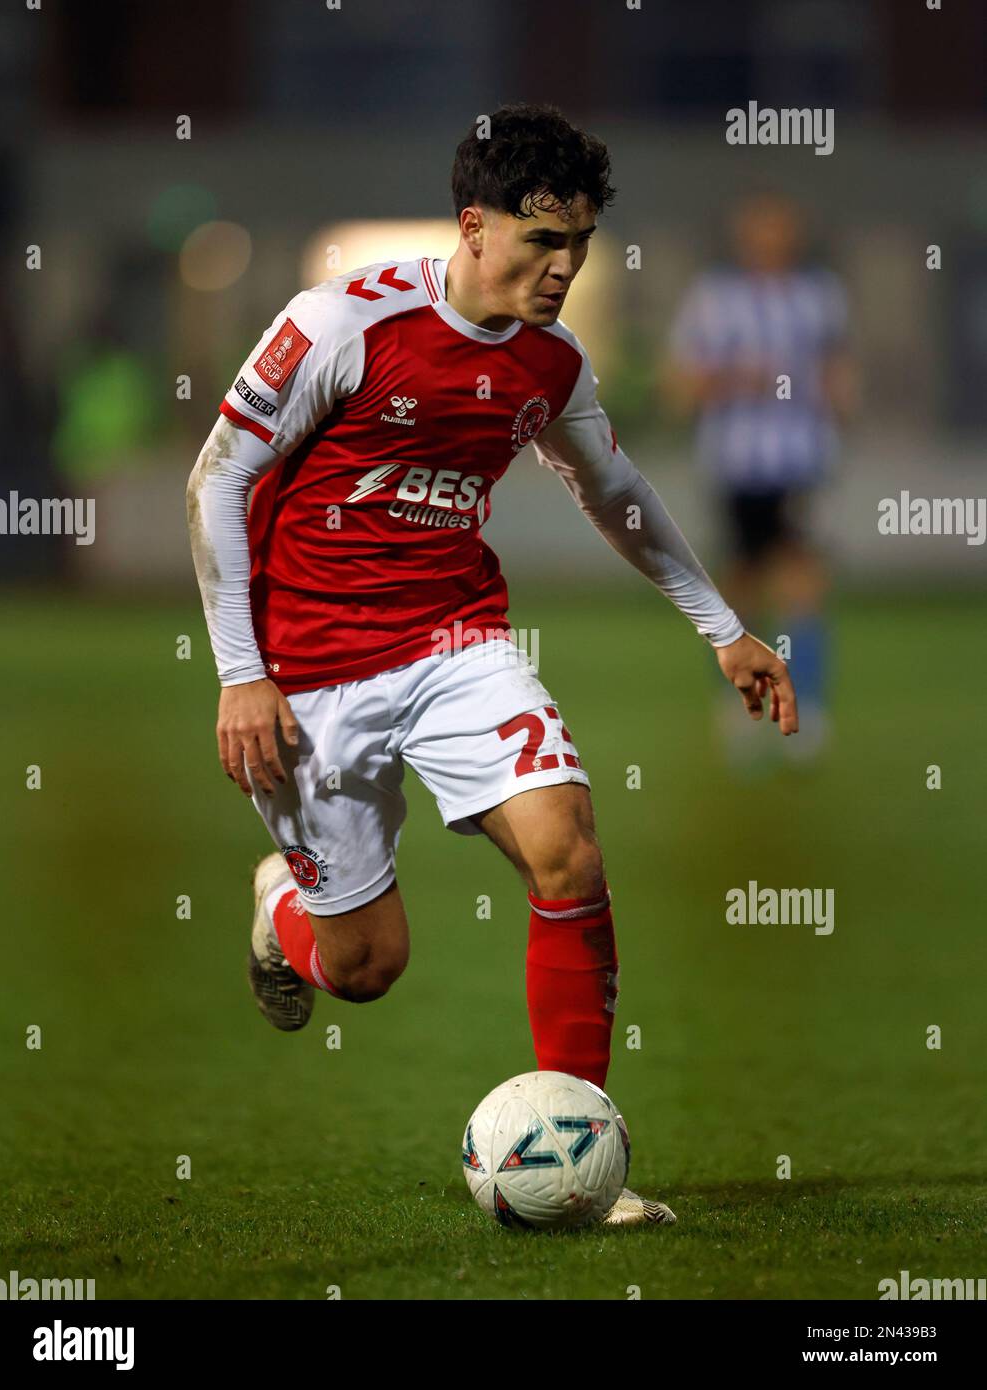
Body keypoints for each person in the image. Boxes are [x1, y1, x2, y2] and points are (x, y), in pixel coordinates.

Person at [187, 104, 797, 1228]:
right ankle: (283, 912)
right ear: (473, 225)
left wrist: (722, 627)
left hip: (457, 644)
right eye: (539, 241)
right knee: (366, 966)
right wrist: (239, 672)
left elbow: (614, 492)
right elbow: (218, 479)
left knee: (566, 847)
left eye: (577, 246)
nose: (561, 268)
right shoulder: (339, 323)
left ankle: (584, 1152)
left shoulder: (550, 361)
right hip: (307, 673)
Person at [664, 190, 853, 765]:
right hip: (735, 464)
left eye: (780, 227)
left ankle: (807, 712)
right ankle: (743, 710)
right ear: (743, 235)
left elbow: (839, 377)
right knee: (739, 591)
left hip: (798, 463)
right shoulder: (714, 299)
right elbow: (680, 387)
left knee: (802, 583)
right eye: (760, 227)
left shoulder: (819, 296)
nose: (771, 238)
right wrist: (738, 379)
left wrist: (839, 405)